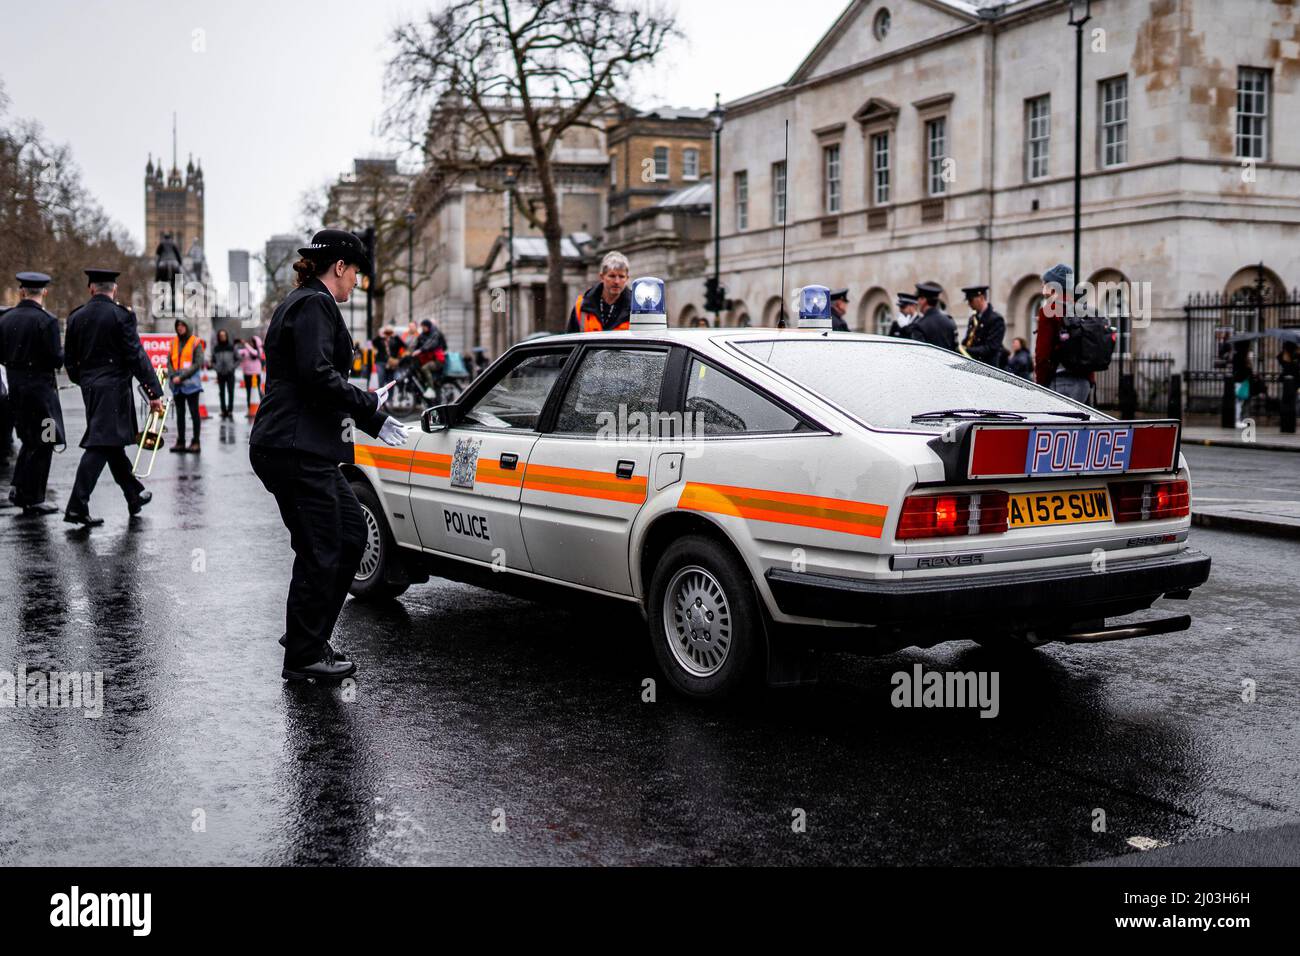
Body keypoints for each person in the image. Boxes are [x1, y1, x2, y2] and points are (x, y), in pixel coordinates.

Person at [249, 228, 408, 683]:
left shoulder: (300, 302)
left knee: (344, 536)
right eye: (356, 271)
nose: (358, 280)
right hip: (296, 447)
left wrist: (372, 419)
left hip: (296, 445)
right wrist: (368, 403)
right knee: (330, 543)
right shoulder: (316, 304)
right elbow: (317, 376)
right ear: (339, 266)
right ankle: (304, 652)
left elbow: (312, 383)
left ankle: (305, 633)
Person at [62, 268, 166, 527]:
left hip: (90, 387)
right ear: (114, 289)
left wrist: (84, 380)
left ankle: (133, 494)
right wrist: (153, 393)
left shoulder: (77, 317)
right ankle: (77, 506)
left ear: (91, 288)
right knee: (100, 443)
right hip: (115, 389)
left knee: (110, 443)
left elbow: (69, 360)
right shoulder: (122, 316)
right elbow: (136, 356)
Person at [0, 272, 65, 516]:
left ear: (22, 291)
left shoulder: (6, 319)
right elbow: (56, 359)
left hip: (16, 390)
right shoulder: (46, 321)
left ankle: (18, 488)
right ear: (44, 292)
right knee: (46, 441)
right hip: (42, 394)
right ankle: (35, 497)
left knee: (28, 440)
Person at [1033, 263, 1091, 402]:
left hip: (1060, 380)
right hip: (1085, 382)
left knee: (1056, 423)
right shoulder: (1082, 308)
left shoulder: (1049, 310)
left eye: (1045, 284)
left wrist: (1040, 383)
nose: (1042, 288)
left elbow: (1042, 354)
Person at [567, 251, 632, 332]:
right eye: (612, 276)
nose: (617, 281)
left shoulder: (635, 309)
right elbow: (570, 339)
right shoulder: (581, 306)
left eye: (621, 276)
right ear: (602, 277)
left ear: (627, 278)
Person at [167, 318, 205, 453]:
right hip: (176, 385)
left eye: (183, 326)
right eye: (178, 326)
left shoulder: (195, 342)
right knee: (180, 414)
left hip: (191, 384)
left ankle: (196, 442)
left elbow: (198, 362)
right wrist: (172, 376)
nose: (180, 328)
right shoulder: (173, 342)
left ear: (187, 327)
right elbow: (169, 361)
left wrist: (181, 377)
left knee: (194, 414)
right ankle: (181, 442)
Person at [959, 285, 1007, 367]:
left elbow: (991, 348)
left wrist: (967, 349)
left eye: (971, 300)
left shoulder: (996, 319)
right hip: (972, 364)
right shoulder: (973, 319)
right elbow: (968, 340)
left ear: (981, 298)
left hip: (987, 366)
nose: (969, 304)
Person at [908, 281, 957, 351]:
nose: (918, 302)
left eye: (919, 299)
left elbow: (918, 353)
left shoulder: (919, 325)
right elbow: (955, 348)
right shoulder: (949, 320)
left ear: (924, 300)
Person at [211, 329, 237, 420]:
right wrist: (216, 368)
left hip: (230, 373)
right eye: (221, 335)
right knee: (221, 393)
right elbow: (212, 361)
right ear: (219, 337)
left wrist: (232, 367)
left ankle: (230, 411)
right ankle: (223, 410)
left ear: (226, 336)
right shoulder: (216, 348)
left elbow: (238, 358)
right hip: (220, 374)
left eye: (224, 335)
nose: (222, 337)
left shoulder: (231, 347)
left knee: (231, 392)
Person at [236, 335, 264, 416]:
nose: (251, 343)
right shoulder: (246, 350)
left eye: (253, 342)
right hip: (247, 374)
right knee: (248, 392)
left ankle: (260, 408)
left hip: (255, 374)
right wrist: (235, 345)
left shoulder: (259, 350)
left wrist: (246, 344)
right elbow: (237, 353)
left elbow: (254, 353)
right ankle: (250, 408)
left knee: (257, 391)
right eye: (250, 342)